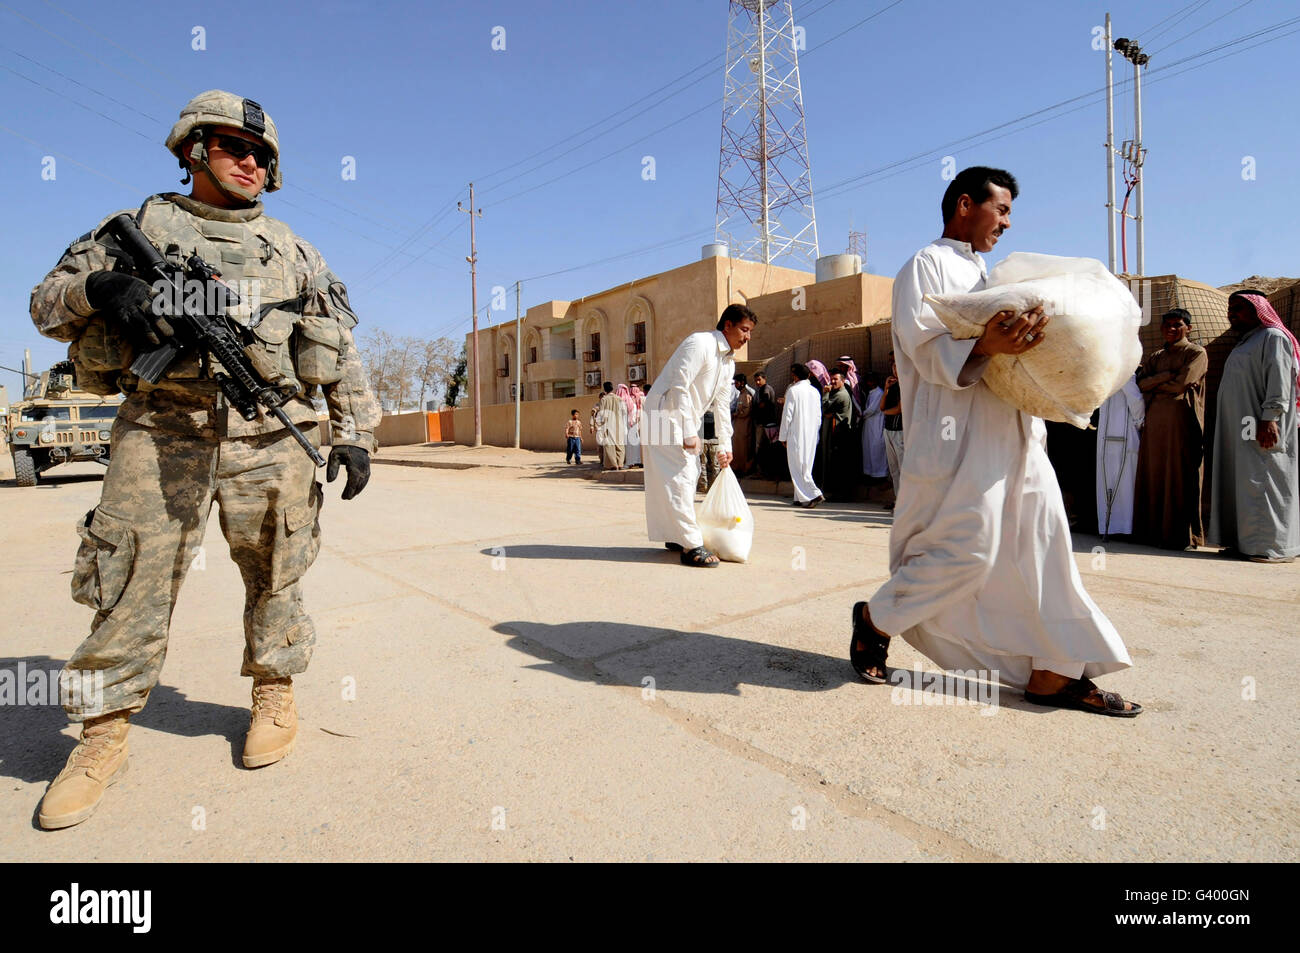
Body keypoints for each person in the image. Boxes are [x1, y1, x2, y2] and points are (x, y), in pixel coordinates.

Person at [28, 89, 382, 829]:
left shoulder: (295, 251)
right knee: (126, 578)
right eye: (233, 147)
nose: (250, 161)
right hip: (160, 430)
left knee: (277, 568)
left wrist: (356, 431)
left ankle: (274, 689)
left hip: (267, 433)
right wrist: (104, 288)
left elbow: (341, 347)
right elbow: (45, 302)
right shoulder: (140, 227)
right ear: (193, 150)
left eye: (261, 154)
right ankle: (102, 733)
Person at [849, 165, 1140, 717]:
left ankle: (1055, 671)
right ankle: (875, 619)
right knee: (968, 550)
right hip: (959, 439)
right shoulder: (926, 265)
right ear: (965, 204)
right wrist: (985, 344)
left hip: (1019, 433)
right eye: (1001, 209)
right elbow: (922, 346)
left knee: (1045, 546)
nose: (1007, 222)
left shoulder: (992, 275)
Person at [643, 304, 755, 567]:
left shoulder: (728, 362)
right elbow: (679, 385)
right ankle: (691, 545)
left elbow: (721, 405)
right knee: (682, 475)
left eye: (750, 332)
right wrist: (687, 431)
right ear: (727, 325)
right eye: (744, 329)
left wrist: (724, 445)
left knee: (684, 475)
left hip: (683, 418)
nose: (747, 337)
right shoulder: (700, 343)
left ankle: (675, 534)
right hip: (663, 414)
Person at [1208, 291, 1300, 563]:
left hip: (1262, 425)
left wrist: (1270, 418)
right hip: (1241, 427)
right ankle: (1244, 542)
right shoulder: (1246, 342)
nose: (1231, 313)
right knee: (1244, 483)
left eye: (1238, 308)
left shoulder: (1273, 337)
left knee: (1264, 480)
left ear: (1258, 310)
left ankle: (1268, 547)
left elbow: (1280, 381)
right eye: (1230, 308)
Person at [1132, 309, 1208, 550]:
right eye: (1167, 326)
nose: (1171, 329)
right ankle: (1153, 533)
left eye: (1177, 325)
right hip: (1154, 423)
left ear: (1189, 328)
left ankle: (1179, 536)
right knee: (1154, 473)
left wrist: (1157, 384)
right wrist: (1164, 375)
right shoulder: (1157, 356)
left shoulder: (1196, 353)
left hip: (1180, 422)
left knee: (1178, 474)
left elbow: (1181, 385)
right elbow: (1141, 384)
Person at [1096, 371, 1144, 537]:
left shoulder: (1104, 375)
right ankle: (1125, 527)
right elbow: (1135, 401)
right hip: (1125, 432)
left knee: (1107, 478)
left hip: (1106, 434)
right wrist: (1140, 421)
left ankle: (1107, 525)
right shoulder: (1126, 374)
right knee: (1125, 480)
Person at [779, 362, 823, 508]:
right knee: (806, 465)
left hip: (796, 433)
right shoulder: (815, 391)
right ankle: (800, 498)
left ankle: (814, 493)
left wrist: (783, 436)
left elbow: (787, 416)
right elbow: (818, 416)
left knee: (797, 466)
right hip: (811, 434)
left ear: (795, 376)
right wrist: (816, 434)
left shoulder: (793, 391)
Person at [820, 371, 855, 501]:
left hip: (839, 434)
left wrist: (826, 393)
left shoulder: (840, 395)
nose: (832, 382)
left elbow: (825, 408)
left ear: (842, 381)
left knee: (839, 465)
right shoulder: (840, 393)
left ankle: (840, 495)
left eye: (835, 379)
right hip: (840, 434)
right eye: (831, 379)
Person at [880, 355, 904, 509]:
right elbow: (882, 407)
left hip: (900, 430)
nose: (895, 371)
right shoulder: (893, 387)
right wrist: (886, 388)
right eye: (893, 368)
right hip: (888, 430)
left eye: (897, 367)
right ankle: (898, 499)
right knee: (894, 468)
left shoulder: (906, 385)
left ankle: (906, 501)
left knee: (903, 468)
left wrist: (886, 412)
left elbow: (899, 409)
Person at [860, 371, 888, 481]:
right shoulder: (871, 393)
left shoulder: (879, 393)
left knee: (876, 449)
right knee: (868, 449)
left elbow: (872, 410)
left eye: (871, 381)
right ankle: (870, 473)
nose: (869, 383)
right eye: (868, 381)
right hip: (869, 426)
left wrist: (861, 414)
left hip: (876, 425)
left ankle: (879, 475)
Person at [752, 370, 780, 479]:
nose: (757, 382)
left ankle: (765, 471)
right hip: (764, 423)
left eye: (759, 380)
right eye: (756, 381)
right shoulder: (760, 390)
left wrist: (756, 408)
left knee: (763, 447)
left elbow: (762, 405)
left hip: (767, 424)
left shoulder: (766, 390)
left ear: (764, 379)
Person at [595, 380, 627, 470]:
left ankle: (612, 464)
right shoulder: (619, 399)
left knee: (609, 445)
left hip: (608, 424)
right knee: (619, 444)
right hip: (619, 424)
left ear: (604, 389)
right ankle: (620, 463)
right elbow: (624, 411)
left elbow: (601, 413)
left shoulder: (604, 400)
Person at [730, 373, 754, 476]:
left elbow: (746, 411)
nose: (735, 385)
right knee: (737, 448)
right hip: (738, 427)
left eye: (737, 383)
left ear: (742, 383)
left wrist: (735, 414)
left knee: (743, 449)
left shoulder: (747, 395)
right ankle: (737, 467)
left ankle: (744, 469)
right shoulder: (741, 394)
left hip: (744, 427)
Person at [625, 384, 644, 468]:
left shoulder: (630, 400)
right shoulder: (640, 397)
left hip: (634, 424)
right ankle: (638, 460)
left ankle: (634, 460)